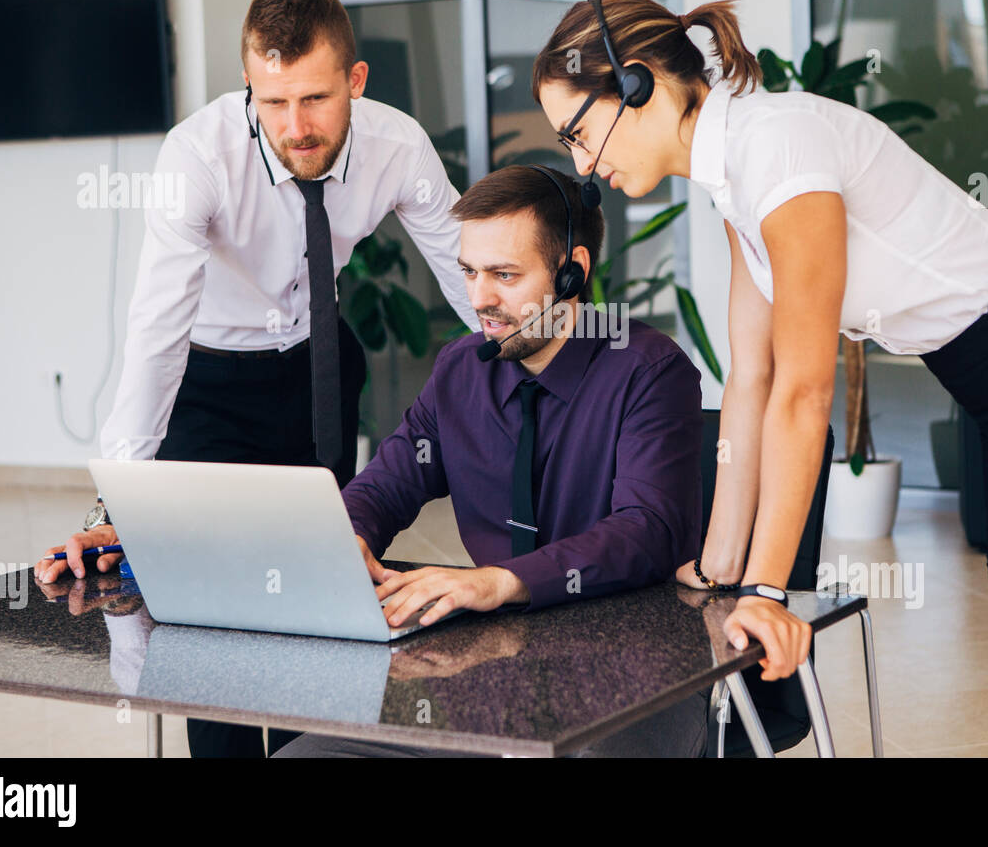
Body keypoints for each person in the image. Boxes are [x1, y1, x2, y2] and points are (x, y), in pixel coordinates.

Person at [530, 0, 988, 757]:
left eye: (580, 133)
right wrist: (719, 567)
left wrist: (768, 593)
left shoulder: (776, 147)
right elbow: (752, 379)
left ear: (638, 81)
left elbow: (806, 390)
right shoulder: (734, 179)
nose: (583, 165)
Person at [36, 0, 479, 757]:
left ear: (355, 80)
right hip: (207, 383)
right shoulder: (196, 157)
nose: (294, 127)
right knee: (212, 612)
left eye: (314, 99)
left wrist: (550, 371)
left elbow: (471, 273)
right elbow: (155, 333)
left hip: (318, 371)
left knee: (319, 586)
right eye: (272, 102)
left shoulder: (397, 145)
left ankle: (315, 747)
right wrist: (117, 503)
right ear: (249, 82)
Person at [273, 164, 709, 757]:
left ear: (572, 269)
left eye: (505, 274)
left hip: (638, 666)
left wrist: (501, 581)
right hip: (490, 669)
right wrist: (345, 532)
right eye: (470, 272)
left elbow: (647, 531)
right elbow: (389, 480)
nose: (481, 299)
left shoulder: (649, 370)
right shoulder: (461, 369)